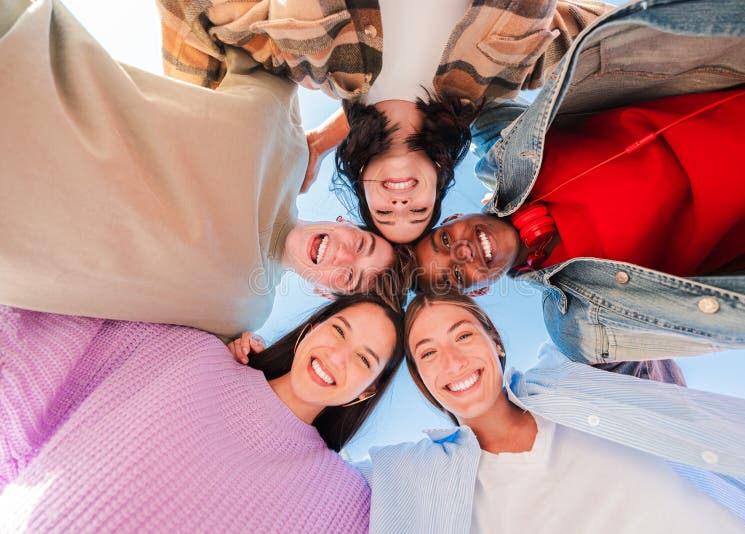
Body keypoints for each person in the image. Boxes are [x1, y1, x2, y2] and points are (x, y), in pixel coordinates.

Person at [410, 0, 745, 362]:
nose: (460, 252)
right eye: (457, 276)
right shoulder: (579, 318)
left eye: (443, 241)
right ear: (479, 289)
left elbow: (462, 96)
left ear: (449, 220)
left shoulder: (502, 155)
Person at [0, 0, 397, 338]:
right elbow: (214, 19)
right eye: (362, 245)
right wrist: (322, 142)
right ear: (346, 221)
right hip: (21, 55)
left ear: (324, 294)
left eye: (349, 278)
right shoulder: (290, 143)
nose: (345, 256)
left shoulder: (244, 315)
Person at [158, 0, 612, 243]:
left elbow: (190, 9)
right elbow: (617, 36)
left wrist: (193, 137)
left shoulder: (310, 62)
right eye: (417, 211)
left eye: (384, 212)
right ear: (438, 181)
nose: (401, 205)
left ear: (363, 180)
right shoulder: (510, 74)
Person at [359, 293, 745, 532]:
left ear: (494, 341)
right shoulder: (408, 474)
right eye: (428, 353)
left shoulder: (566, 376)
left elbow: (603, 296)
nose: (452, 362)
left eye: (463, 336)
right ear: (420, 377)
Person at [0, 293, 404, 531]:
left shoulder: (343, 498)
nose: (337, 356)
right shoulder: (194, 353)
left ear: (364, 392)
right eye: (338, 331)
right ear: (310, 329)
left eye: (363, 359)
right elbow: (45, 360)